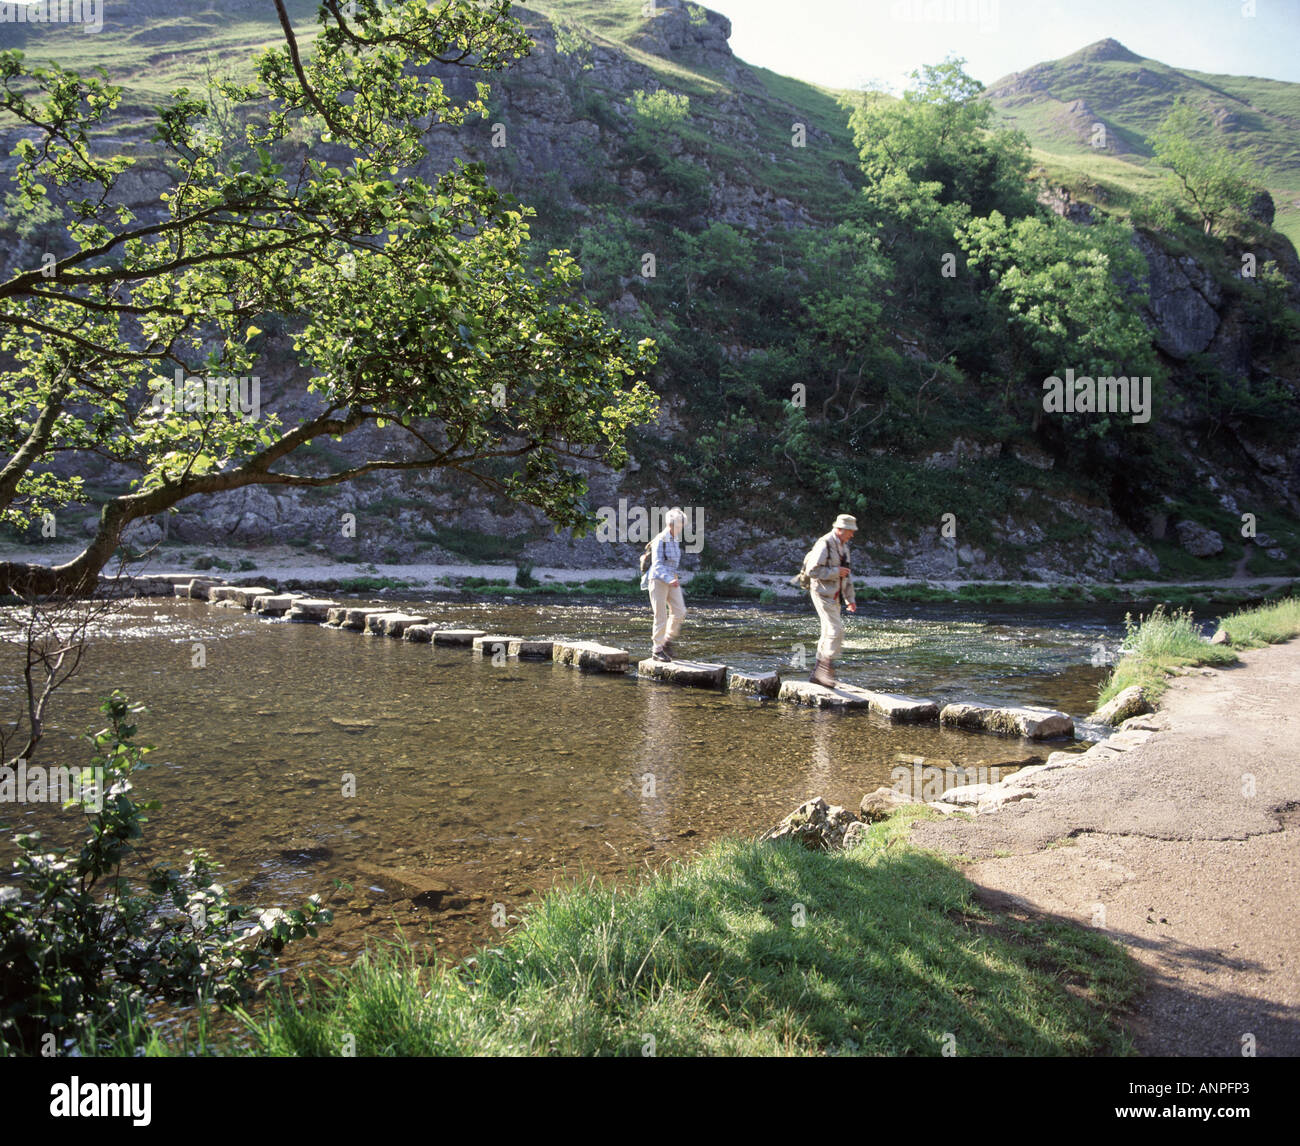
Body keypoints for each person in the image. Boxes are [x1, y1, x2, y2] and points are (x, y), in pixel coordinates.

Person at [802, 513, 857, 688]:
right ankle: (824, 671)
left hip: (835, 595)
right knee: (836, 630)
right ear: (840, 529)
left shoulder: (844, 547)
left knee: (828, 632)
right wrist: (835, 572)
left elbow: (846, 575)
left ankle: (818, 673)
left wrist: (850, 599)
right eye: (850, 531)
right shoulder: (824, 544)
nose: (852, 534)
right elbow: (812, 571)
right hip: (822, 593)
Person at [641, 507, 687, 662]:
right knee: (661, 616)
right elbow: (658, 565)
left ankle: (667, 641)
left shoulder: (675, 539)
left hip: (671, 580)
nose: (681, 528)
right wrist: (669, 579)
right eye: (680, 525)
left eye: (682, 525)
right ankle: (657, 650)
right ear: (671, 525)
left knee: (680, 611)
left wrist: (674, 577)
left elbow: (671, 563)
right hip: (657, 580)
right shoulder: (661, 539)